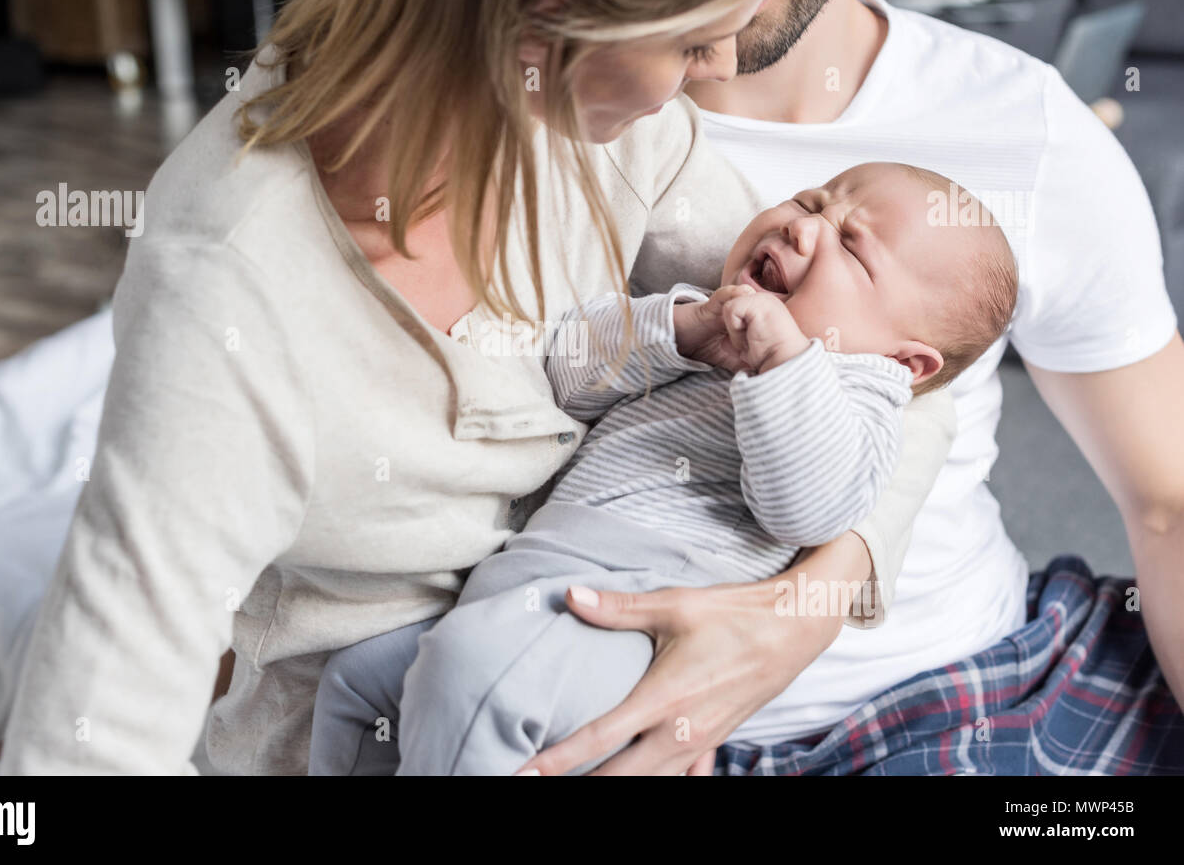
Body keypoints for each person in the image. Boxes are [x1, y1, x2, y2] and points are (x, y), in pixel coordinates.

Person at [0, 0, 961, 775]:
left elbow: (897, 365)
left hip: (591, 679)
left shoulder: (610, 131)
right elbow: (85, 744)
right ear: (553, 11)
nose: (716, 69)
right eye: (696, 40)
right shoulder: (231, 298)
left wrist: (791, 619)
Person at [521, 0, 1183, 776]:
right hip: (595, 694)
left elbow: (1165, 502)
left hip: (966, 680)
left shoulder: (1021, 122)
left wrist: (812, 602)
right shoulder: (542, 110)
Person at [307, 163, 1017, 775]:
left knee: (472, 675)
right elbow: (566, 373)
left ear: (905, 362)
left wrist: (783, 364)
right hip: (526, 587)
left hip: (635, 619)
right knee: (359, 680)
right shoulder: (701, 321)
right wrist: (681, 329)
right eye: (808, 202)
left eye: (852, 247)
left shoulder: (860, 398)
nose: (804, 228)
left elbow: (808, 509)